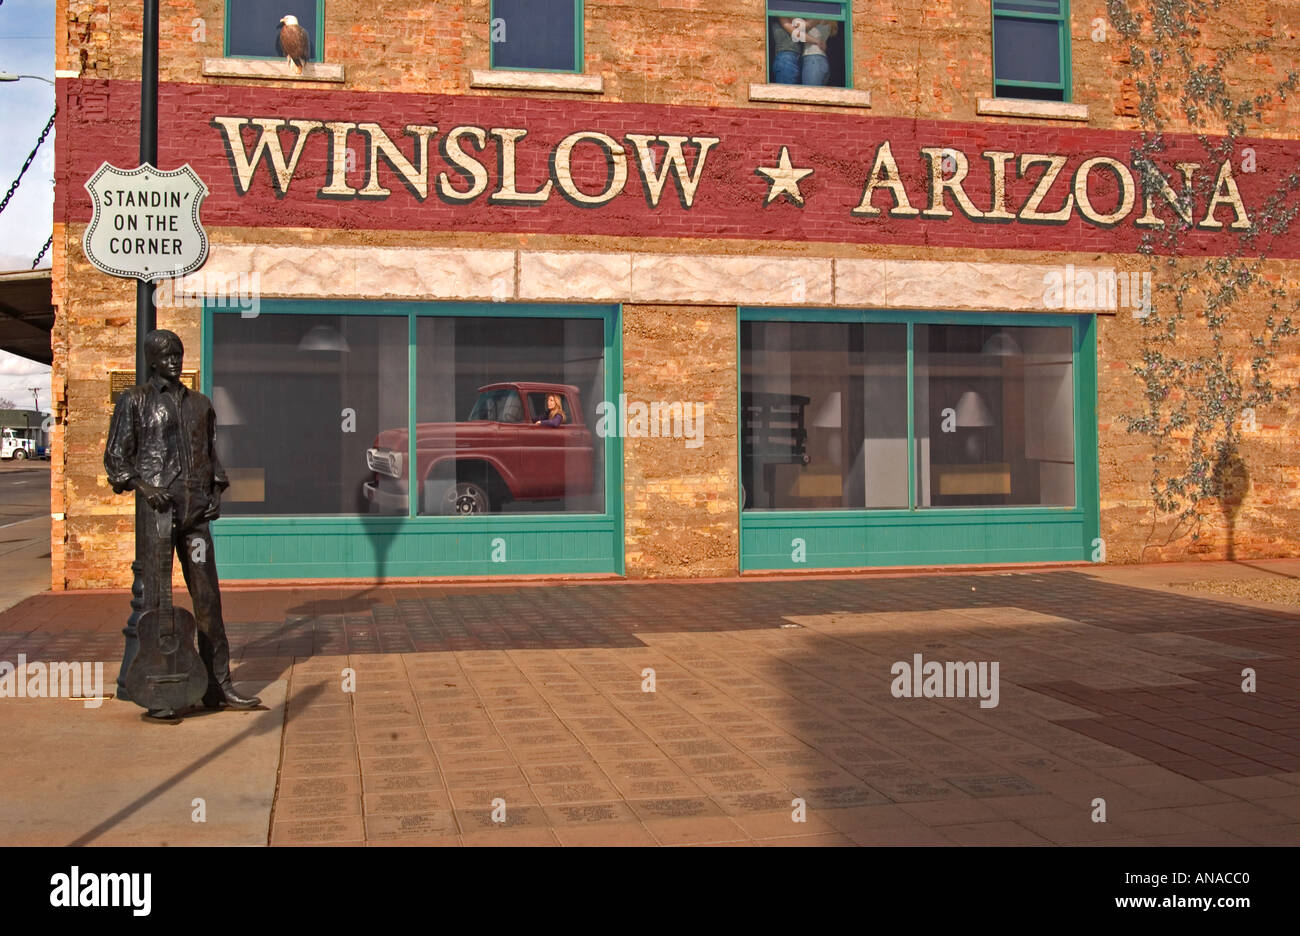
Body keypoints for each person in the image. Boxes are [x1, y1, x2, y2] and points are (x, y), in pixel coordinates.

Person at [104, 329, 261, 719]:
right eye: (166, 355)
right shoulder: (134, 401)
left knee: (208, 600)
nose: (174, 360)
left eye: (178, 354)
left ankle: (217, 684)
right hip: (158, 514)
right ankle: (160, 690)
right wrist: (144, 486)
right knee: (157, 602)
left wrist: (215, 495)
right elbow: (116, 460)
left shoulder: (201, 405)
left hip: (195, 516)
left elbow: (211, 457)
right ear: (152, 360)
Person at [800, 19, 838, 86]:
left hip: (813, 59)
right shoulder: (828, 18)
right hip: (820, 59)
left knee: (810, 93)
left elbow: (796, 32)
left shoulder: (815, 17)